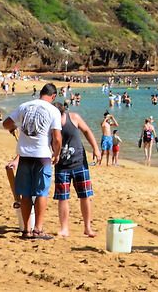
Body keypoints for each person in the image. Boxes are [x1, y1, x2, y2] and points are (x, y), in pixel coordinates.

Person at [3, 83, 63, 240]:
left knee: (26, 194)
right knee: (41, 192)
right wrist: (57, 154)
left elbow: (6, 124)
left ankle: (26, 230)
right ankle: (38, 229)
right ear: (53, 96)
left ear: (40, 93)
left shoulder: (24, 106)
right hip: (42, 156)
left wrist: (14, 128)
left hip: (24, 155)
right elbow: (57, 138)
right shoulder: (53, 110)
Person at [53, 101, 101, 239]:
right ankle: (64, 229)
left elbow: (87, 131)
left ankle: (87, 227)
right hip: (61, 166)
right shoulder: (51, 125)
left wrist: (96, 148)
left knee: (85, 196)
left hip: (80, 163)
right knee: (63, 198)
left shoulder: (73, 118)